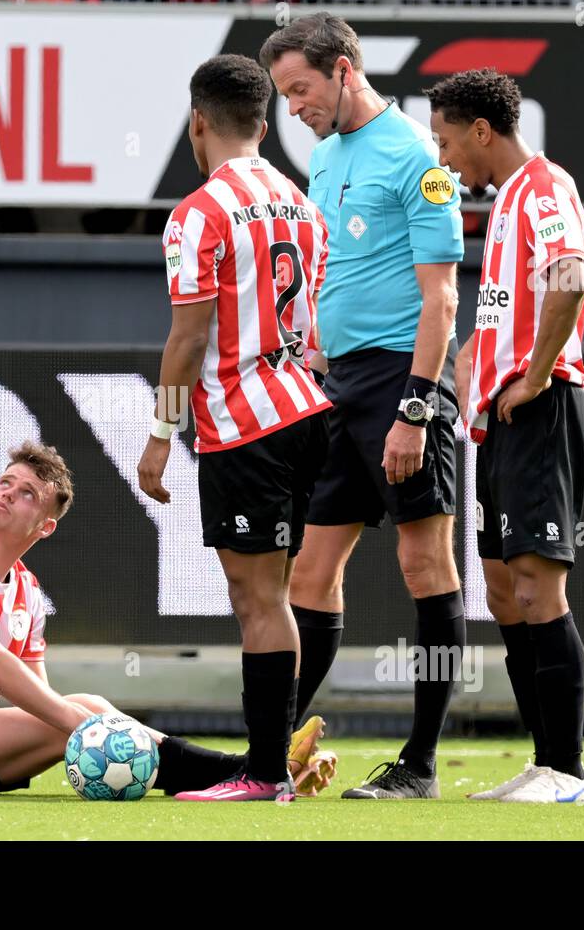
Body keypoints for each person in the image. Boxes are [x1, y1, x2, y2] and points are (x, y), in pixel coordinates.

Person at [0, 442, 337, 799]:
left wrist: (85, 726)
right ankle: (250, 771)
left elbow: (40, 703)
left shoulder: (27, 594)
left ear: (45, 527)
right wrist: (88, 725)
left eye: (28, 493)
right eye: (6, 482)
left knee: (80, 713)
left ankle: (254, 773)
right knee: (82, 713)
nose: (8, 493)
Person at [260, 13, 467, 799]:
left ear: (344, 70)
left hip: (399, 382)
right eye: (283, 95)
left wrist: (417, 410)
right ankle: (270, 749)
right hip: (336, 384)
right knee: (310, 571)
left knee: (423, 562)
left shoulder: (419, 157)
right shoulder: (322, 156)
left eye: (302, 89)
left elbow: (441, 298)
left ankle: (419, 765)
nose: (295, 107)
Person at [136, 54, 334, 801]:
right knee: (274, 597)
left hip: (246, 427)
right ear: (263, 119)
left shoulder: (199, 213)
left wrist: (162, 435)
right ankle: (270, 762)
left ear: (198, 122)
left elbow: (187, 340)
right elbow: (314, 326)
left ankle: (261, 772)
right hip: (306, 411)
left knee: (257, 602)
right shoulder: (300, 202)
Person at [426, 69, 584, 804]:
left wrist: (537, 371)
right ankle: (543, 760)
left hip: (539, 411)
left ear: (481, 131)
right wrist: (475, 358)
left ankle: (569, 773)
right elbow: (511, 301)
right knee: (501, 590)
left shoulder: (545, 185)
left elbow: (572, 276)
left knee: (538, 585)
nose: (444, 156)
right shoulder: (505, 204)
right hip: (496, 420)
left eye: (446, 139)